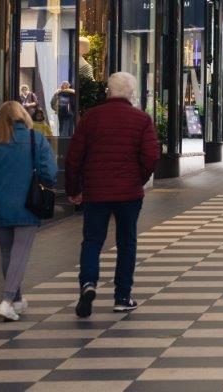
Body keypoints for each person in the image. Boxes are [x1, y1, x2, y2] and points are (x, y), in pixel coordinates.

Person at [65, 72, 159, 317]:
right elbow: (150, 156)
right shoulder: (141, 120)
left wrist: (74, 189)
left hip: (96, 192)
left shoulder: (90, 118)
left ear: (108, 91)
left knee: (92, 241)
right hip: (128, 193)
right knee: (126, 243)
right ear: (131, 93)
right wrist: (138, 179)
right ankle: (122, 296)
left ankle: (88, 284)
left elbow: (74, 157)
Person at [0, 101, 57, 321]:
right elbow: (48, 172)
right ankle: (6, 301)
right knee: (20, 254)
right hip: (26, 203)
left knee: (7, 253)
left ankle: (17, 299)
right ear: (24, 116)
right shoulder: (35, 138)